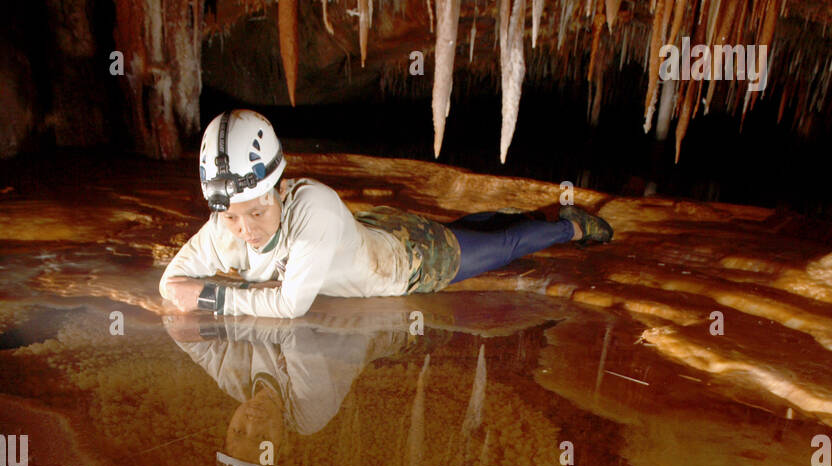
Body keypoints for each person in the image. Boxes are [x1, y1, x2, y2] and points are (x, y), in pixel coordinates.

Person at [159, 109, 613, 322]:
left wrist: (211, 297)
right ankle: (528, 213)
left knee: (503, 248)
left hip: (410, 261)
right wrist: (196, 285)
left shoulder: (311, 206)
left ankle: (569, 226)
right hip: (375, 228)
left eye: (256, 212)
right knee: (464, 231)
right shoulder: (228, 224)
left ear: (280, 187)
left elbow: (290, 305)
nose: (245, 231)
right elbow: (171, 282)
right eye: (232, 219)